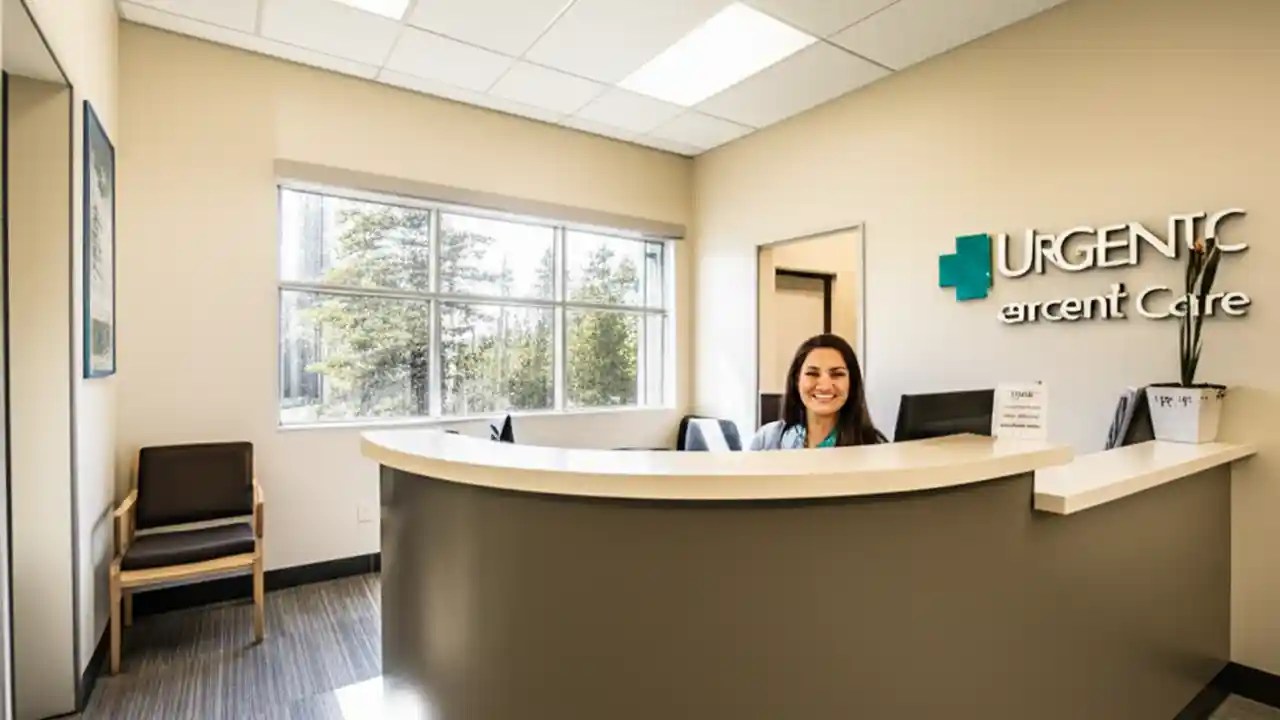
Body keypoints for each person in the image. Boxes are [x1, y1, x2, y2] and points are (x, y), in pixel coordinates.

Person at [750, 333, 885, 450]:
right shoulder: (767, 440)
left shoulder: (874, 446)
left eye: (837, 374)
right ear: (797, 380)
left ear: (852, 382)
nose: (825, 386)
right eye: (812, 374)